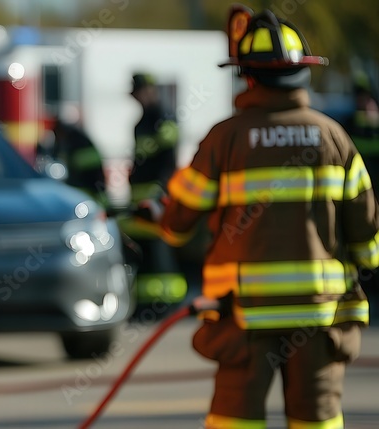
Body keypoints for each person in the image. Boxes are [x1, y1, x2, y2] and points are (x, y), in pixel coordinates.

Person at [155, 8, 376, 428]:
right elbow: (367, 235)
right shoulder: (335, 137)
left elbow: (179, 223)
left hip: (243, 319)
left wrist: (163, 217)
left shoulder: (226, 138)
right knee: (319, 420)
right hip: (319, 317)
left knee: (235, 421)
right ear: (302, 72)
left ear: (248, 76)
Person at [122, 72, 187, 307]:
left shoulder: (163, 116)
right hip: (141, 197)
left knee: (160, 248)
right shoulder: (142, 122)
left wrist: (160, 191)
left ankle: (166, 302)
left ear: (149, 90)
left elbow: (169, 148)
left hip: (157, 195)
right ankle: (147, 304)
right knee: (145, 250)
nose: (136, 99)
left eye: (138, 93)